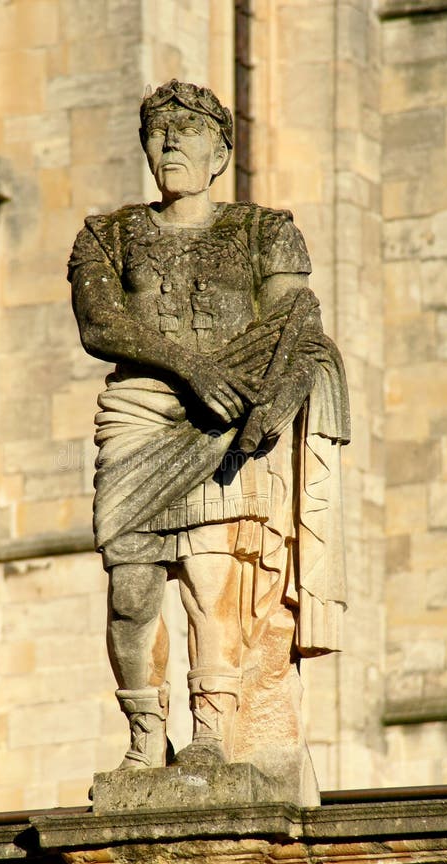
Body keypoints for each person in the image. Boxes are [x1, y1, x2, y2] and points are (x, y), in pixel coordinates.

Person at [68, 80, 349, 794]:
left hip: (223, 426)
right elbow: (101, 325)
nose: (170, 143)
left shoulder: (264, 231)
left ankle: (210, 736)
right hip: (141, 416)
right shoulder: (108, 234)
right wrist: (191, 367)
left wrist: (272, 399)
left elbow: (294, 322)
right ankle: (144, 738)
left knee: (211, 583)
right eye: (158, 132)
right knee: (131, 590)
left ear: (220, 153)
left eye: (188, 131)